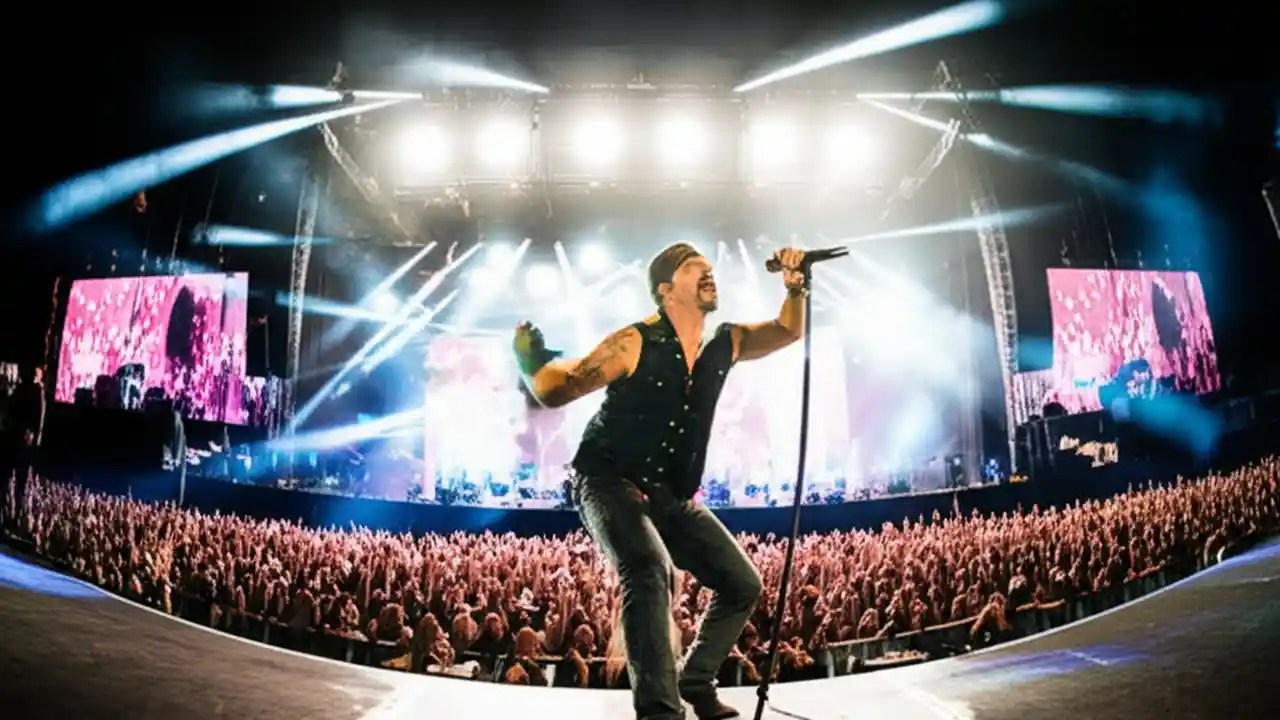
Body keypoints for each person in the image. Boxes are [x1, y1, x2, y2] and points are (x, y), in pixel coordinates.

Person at [513, 243, 808, 720]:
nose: (709, 273)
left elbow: (788, 329)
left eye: (710, 268)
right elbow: (554, 389)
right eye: (696, 269)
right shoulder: (634, 341)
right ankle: (659, 713)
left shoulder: (725, 342)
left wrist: (795, 286)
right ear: (666, 290)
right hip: (609, 480)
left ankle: (695, 679)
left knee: (741, 584)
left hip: (670, 494)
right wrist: (528, 360)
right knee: (650, 569)